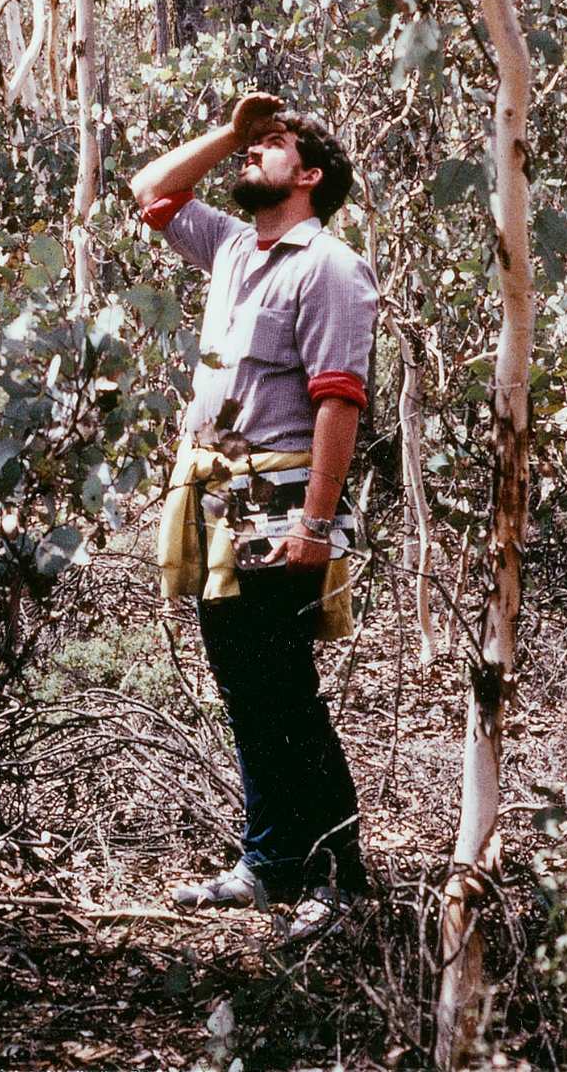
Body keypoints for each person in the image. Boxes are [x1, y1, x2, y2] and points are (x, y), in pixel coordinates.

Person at [131, 88, 378, 941]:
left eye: (270, 146)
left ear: (309, 176)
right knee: (245, 687)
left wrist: (315, 523)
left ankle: (339, 876)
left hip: (280, 500)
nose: (250, 155)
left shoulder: (330, 267)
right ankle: (269, 862)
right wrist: (229, 130)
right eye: (251, 145)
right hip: (215, 496)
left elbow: (338, 401)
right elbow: (151, 191)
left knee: (284, 690)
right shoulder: (235, 246)